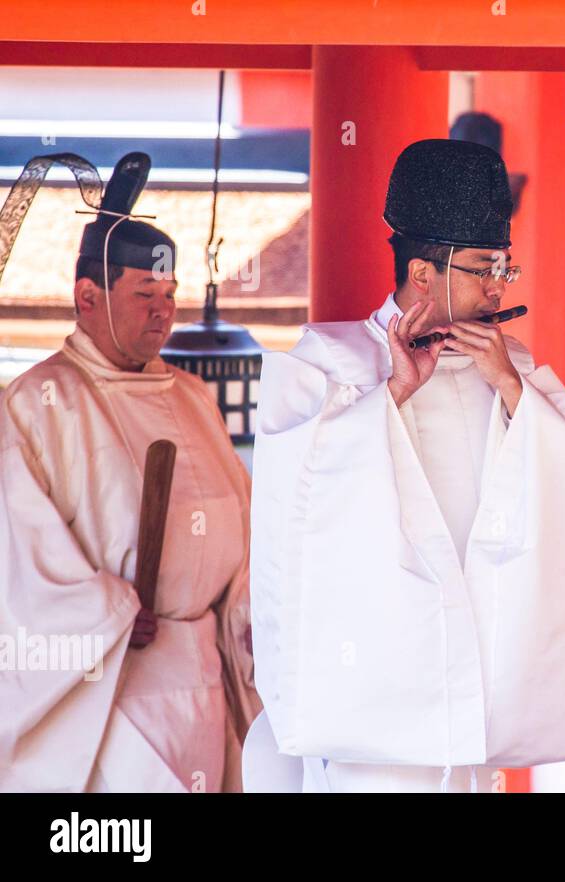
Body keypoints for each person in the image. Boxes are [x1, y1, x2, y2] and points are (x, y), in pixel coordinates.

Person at [249, 138, 565, 793]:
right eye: (482, 269)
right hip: (370, 720)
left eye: (504, 269)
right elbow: (292, 509)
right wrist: (391, 394)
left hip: (473, 714)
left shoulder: (512, 366)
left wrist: (513, 392)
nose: (499, 287)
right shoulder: (328, 359)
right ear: (420, 274)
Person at [0, 152, 261, 792]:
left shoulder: (195, 397)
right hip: (107, 681)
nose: (163, 311)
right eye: (144, 294)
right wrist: (105, 612)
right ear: (87, 297)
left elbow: (251, 537)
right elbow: (16, 556)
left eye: (170, 295)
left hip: (206, 675)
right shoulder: (36, 404)